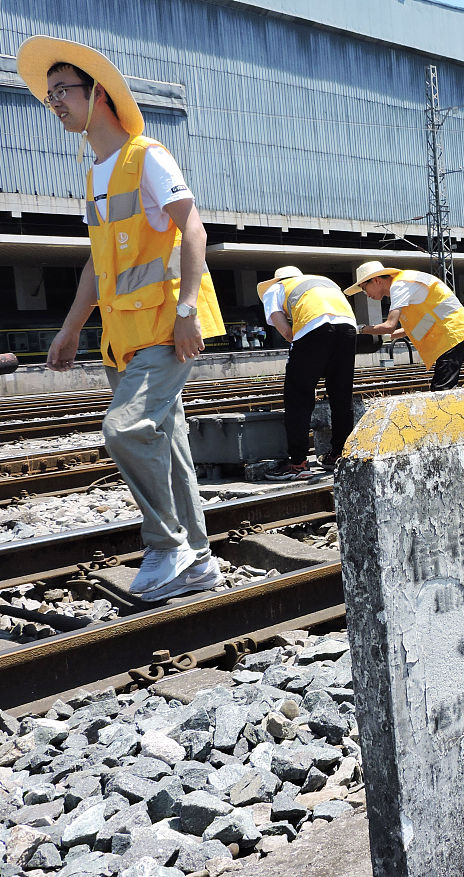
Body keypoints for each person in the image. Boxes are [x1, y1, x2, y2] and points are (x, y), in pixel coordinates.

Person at [17, 36, 225, 600]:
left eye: (63, 91)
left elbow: (194, 228)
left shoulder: (146, 156)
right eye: (49, 94)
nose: (54, 102)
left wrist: (187, 311)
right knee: (169, 442)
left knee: (124, 429)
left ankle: (166, 547)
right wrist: (70, 328)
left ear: (99, 94)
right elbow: (97, 264)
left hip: (166, 326)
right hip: (123, 337)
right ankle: (200, 558)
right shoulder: (95, 176)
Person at [258, 266, 358, 479]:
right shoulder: (322, 279)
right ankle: (340, 455)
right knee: (341, 395)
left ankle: (298, 463)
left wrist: (303, 349)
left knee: (298, 397)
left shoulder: (276, 289)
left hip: (314, 329)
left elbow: (285, 331)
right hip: (348, 328)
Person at [346, 261, 464, 391]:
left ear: (376, 280)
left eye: (364, 289)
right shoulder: (404, 283)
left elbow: (389, 325)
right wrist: (385, 338)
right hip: (453, 332)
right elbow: (415, 328)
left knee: (442, 390)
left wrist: (359, 329)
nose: (367, 295)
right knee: (442, 388)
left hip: (452, 333)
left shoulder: (400, 285)